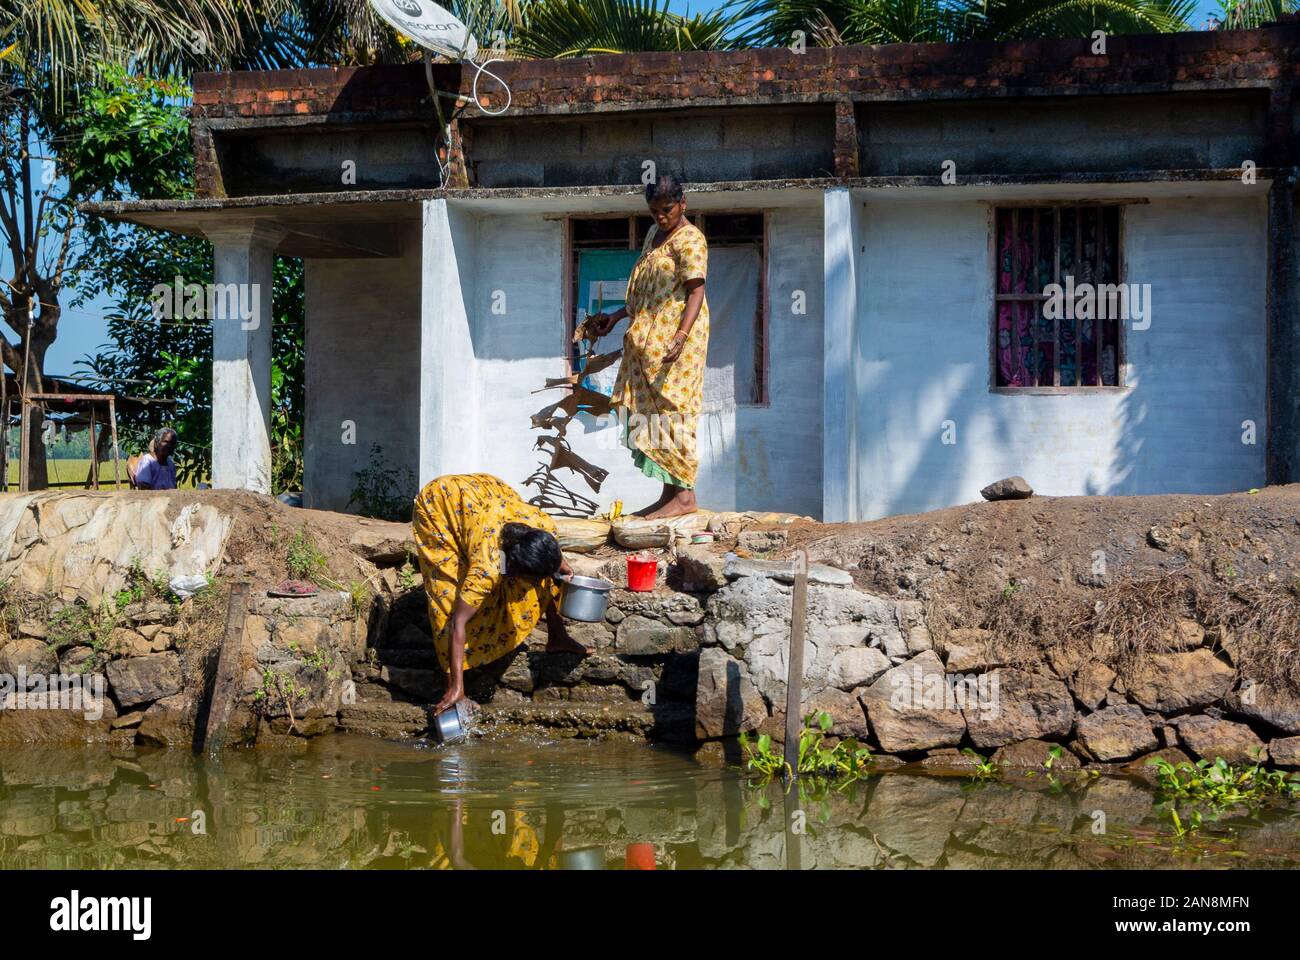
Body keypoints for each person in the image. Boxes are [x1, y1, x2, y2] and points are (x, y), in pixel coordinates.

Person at [587, 173, 710, 519]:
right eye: (654, 211)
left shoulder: (691, 240)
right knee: (651, 414)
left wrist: (681, 336)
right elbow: (644, 296)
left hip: (677, 342)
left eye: (667, 209)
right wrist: (615, 316)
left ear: (683, 203)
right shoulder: (654, 236)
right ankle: (669, 495)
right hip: (645, 343)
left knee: (674, 410)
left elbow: (696, 292)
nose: (660, 217)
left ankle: (685, 497)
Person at [412, 473, 585, 716]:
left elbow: (547, 558)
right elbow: (457, 622)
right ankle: (451, 687)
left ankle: (558, 637)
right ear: (512, 568)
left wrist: (560, 564)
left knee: (548, 577)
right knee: (448, 596)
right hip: (441, 504)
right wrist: (459, 687)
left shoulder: (543, 526)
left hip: (485, 493)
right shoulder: (487, 568)